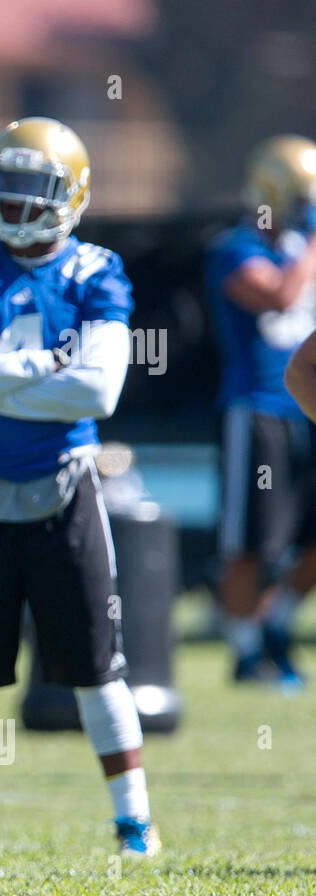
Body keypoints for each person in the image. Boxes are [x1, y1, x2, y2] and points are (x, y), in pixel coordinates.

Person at [0, 117, 160, 859]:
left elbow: (99, 390)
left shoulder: (97, 270)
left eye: (31, 190)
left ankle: (133, 821)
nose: (14, 204)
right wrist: (40, 369)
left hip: (64, 487)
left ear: (71, 195)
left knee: (96, 667)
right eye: (4, 188)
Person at [206, 134, 316, 688]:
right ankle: (247, 652)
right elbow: (278, 297)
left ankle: (277, 622)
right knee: (250, 539)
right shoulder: (236, 247)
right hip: (257, 408)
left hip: (308, 411)